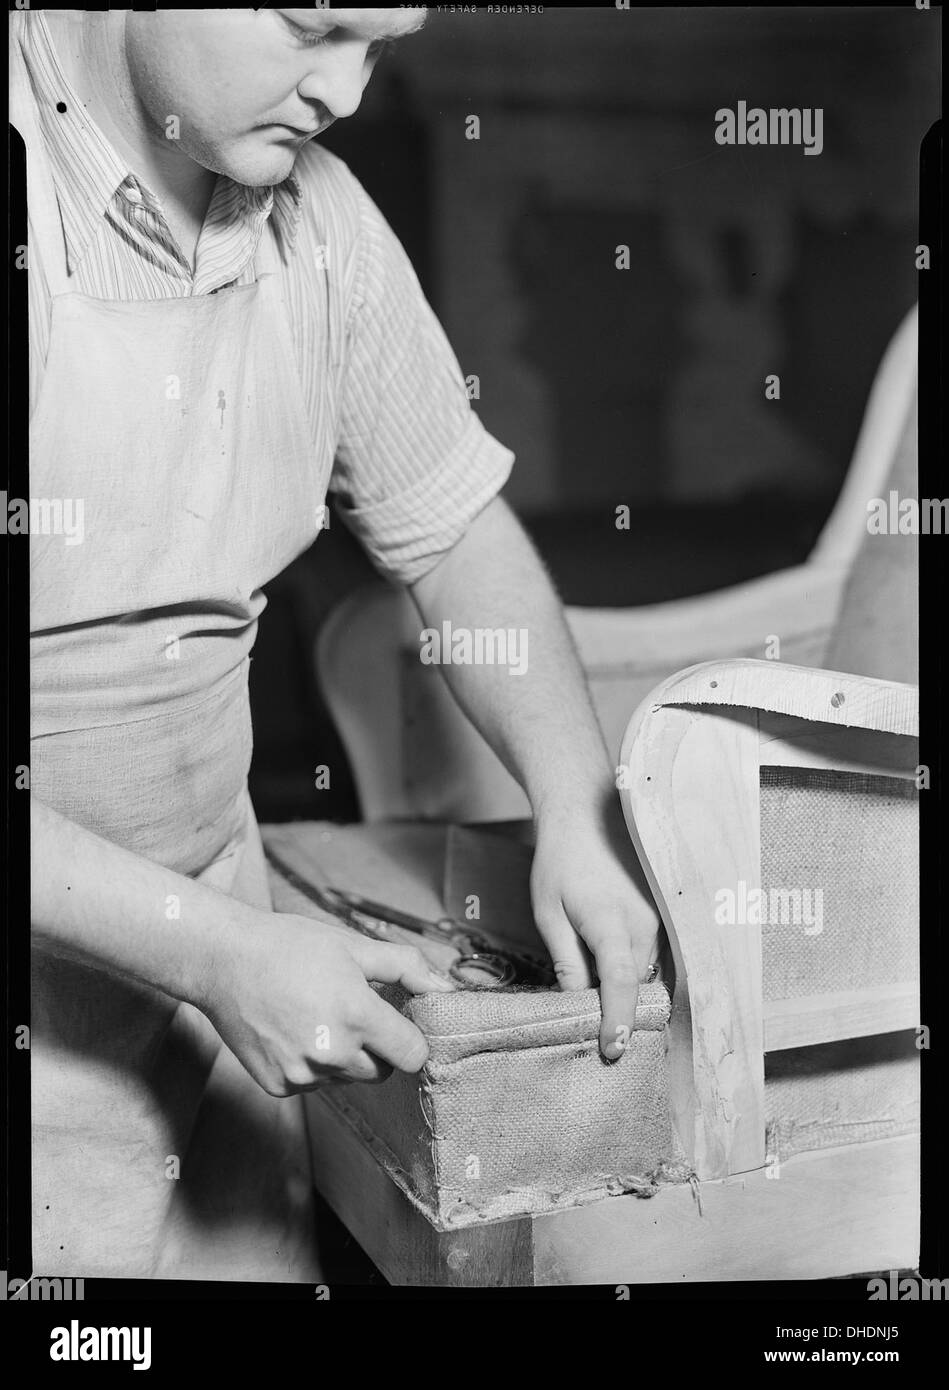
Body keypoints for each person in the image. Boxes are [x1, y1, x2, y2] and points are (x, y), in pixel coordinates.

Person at [15, 7, 660, 1282]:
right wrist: (211, 951)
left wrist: (578, 806)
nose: (348, 92)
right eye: (317, 24)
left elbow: (452, 532)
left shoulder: (317, 219)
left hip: (222, 983)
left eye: (385, 41)